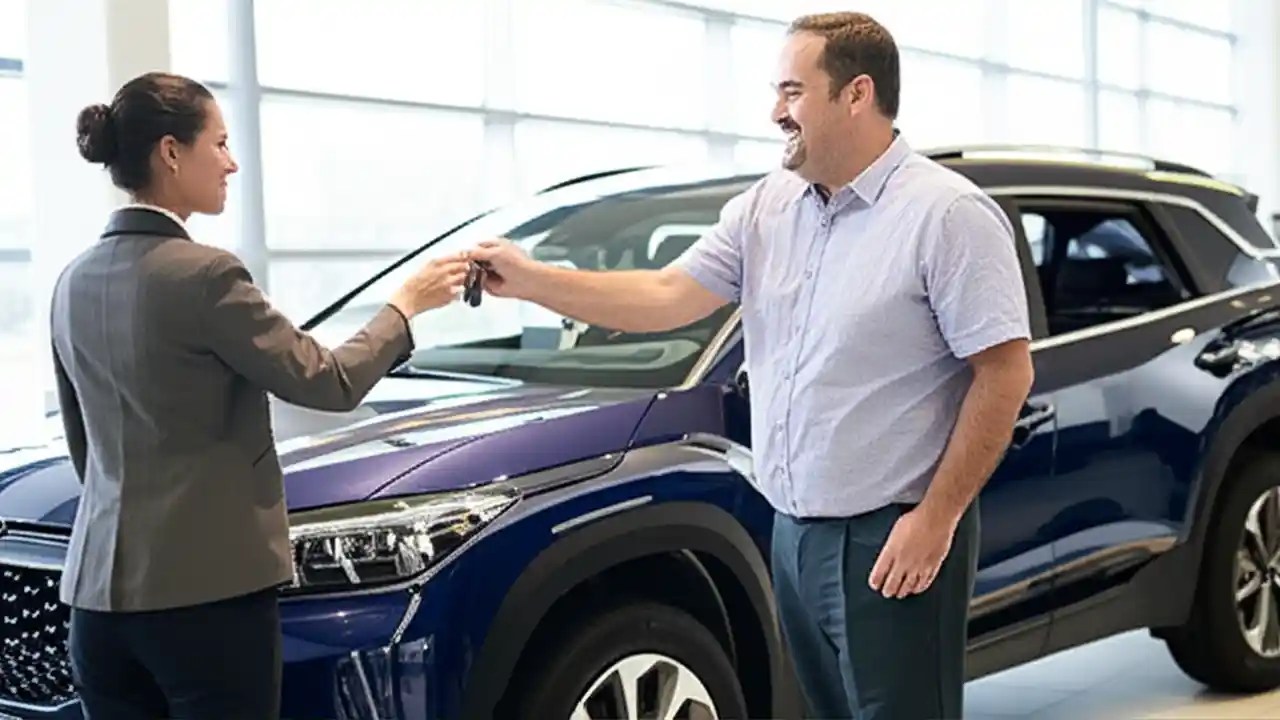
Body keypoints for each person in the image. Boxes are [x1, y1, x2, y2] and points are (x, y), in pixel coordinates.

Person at [467, 12, 1034, 720]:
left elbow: (1006, 372)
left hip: (891, 531)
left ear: (856, 95)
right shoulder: (769, 206)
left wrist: (936, 518)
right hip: (794, 529)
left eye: (793, 92)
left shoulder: (947, 215)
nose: (775, 112)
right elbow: (668, 294)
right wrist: (529, 279)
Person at [53, 71, 469, 720]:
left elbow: (88, 454)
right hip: (204, 608)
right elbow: (330, 381)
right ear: (170, 152)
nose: (232, 161)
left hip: (95, 608)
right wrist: (405, 307)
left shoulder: (70, 282)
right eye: (218, 143)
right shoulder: (206, 274)